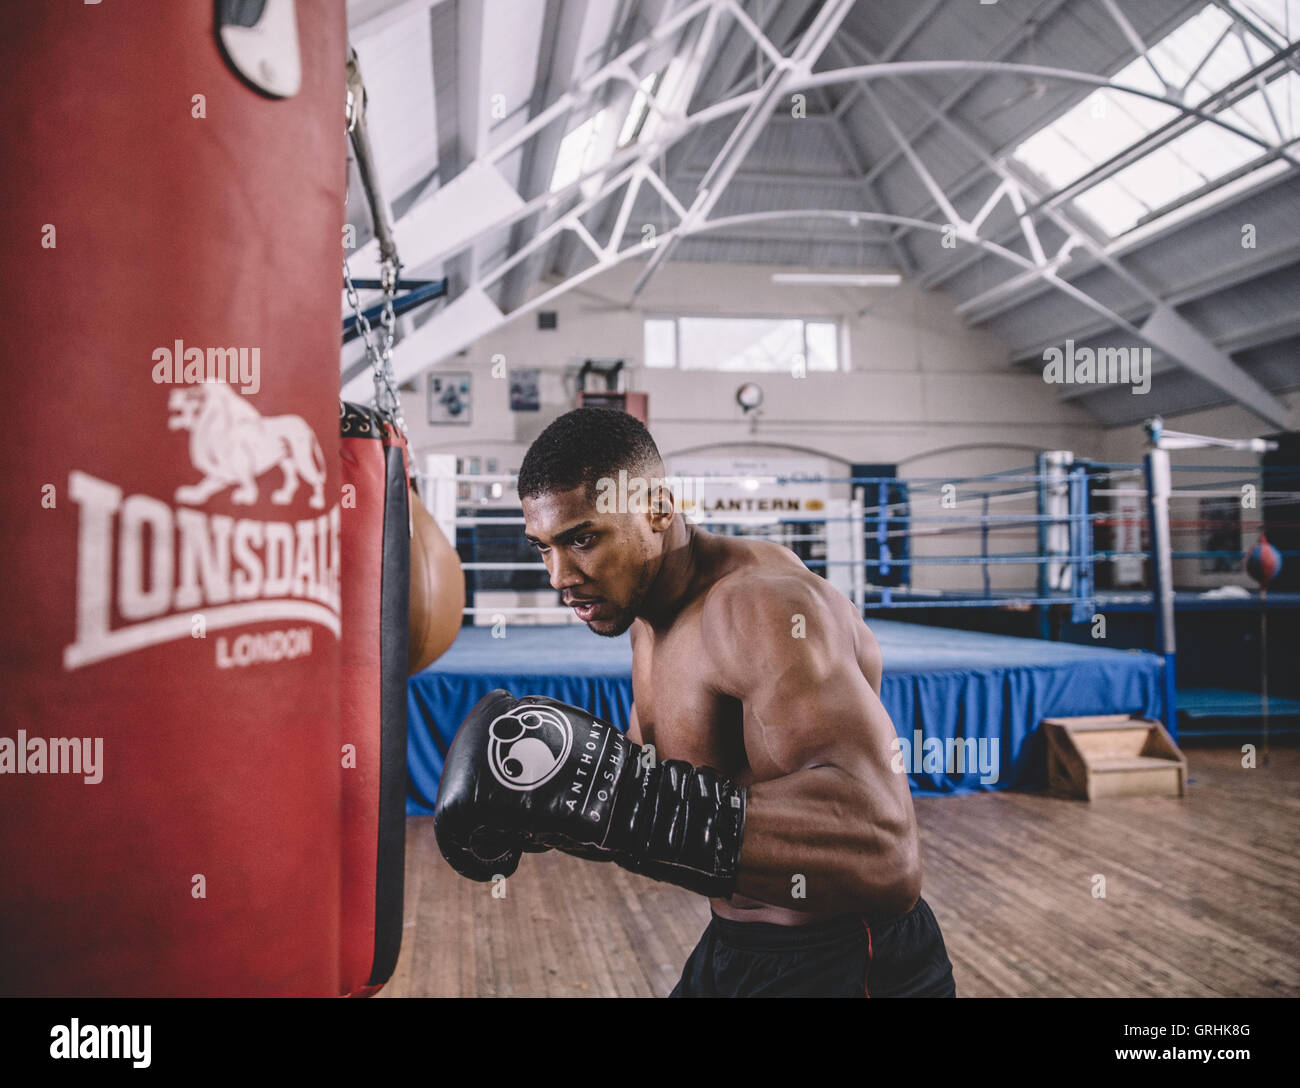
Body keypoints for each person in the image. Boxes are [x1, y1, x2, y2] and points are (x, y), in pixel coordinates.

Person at [435, 408, 955, 997]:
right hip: (735, 946)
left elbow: (884, 852)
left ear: (657, 508)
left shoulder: (756, 607)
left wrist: (618, 800)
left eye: (581, 539)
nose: (559, 575)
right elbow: (667, 800)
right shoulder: (642, 613)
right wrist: (550, 809)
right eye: (543, 548)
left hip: (848, 960)